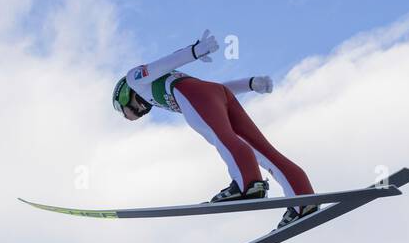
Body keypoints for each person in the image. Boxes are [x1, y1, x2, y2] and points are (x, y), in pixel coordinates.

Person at [112, 29, 317, 228]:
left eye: (121, 111)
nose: (128, 117)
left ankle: (248, 183)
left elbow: (163, 63)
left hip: (194, 94)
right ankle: (303, 197)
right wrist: (250, 84)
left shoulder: (134, 79)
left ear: (123, 97)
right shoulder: (155, 94)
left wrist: (194, 51)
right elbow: (213, 90)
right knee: (262, 149)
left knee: (223, 138)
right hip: (217, 92)